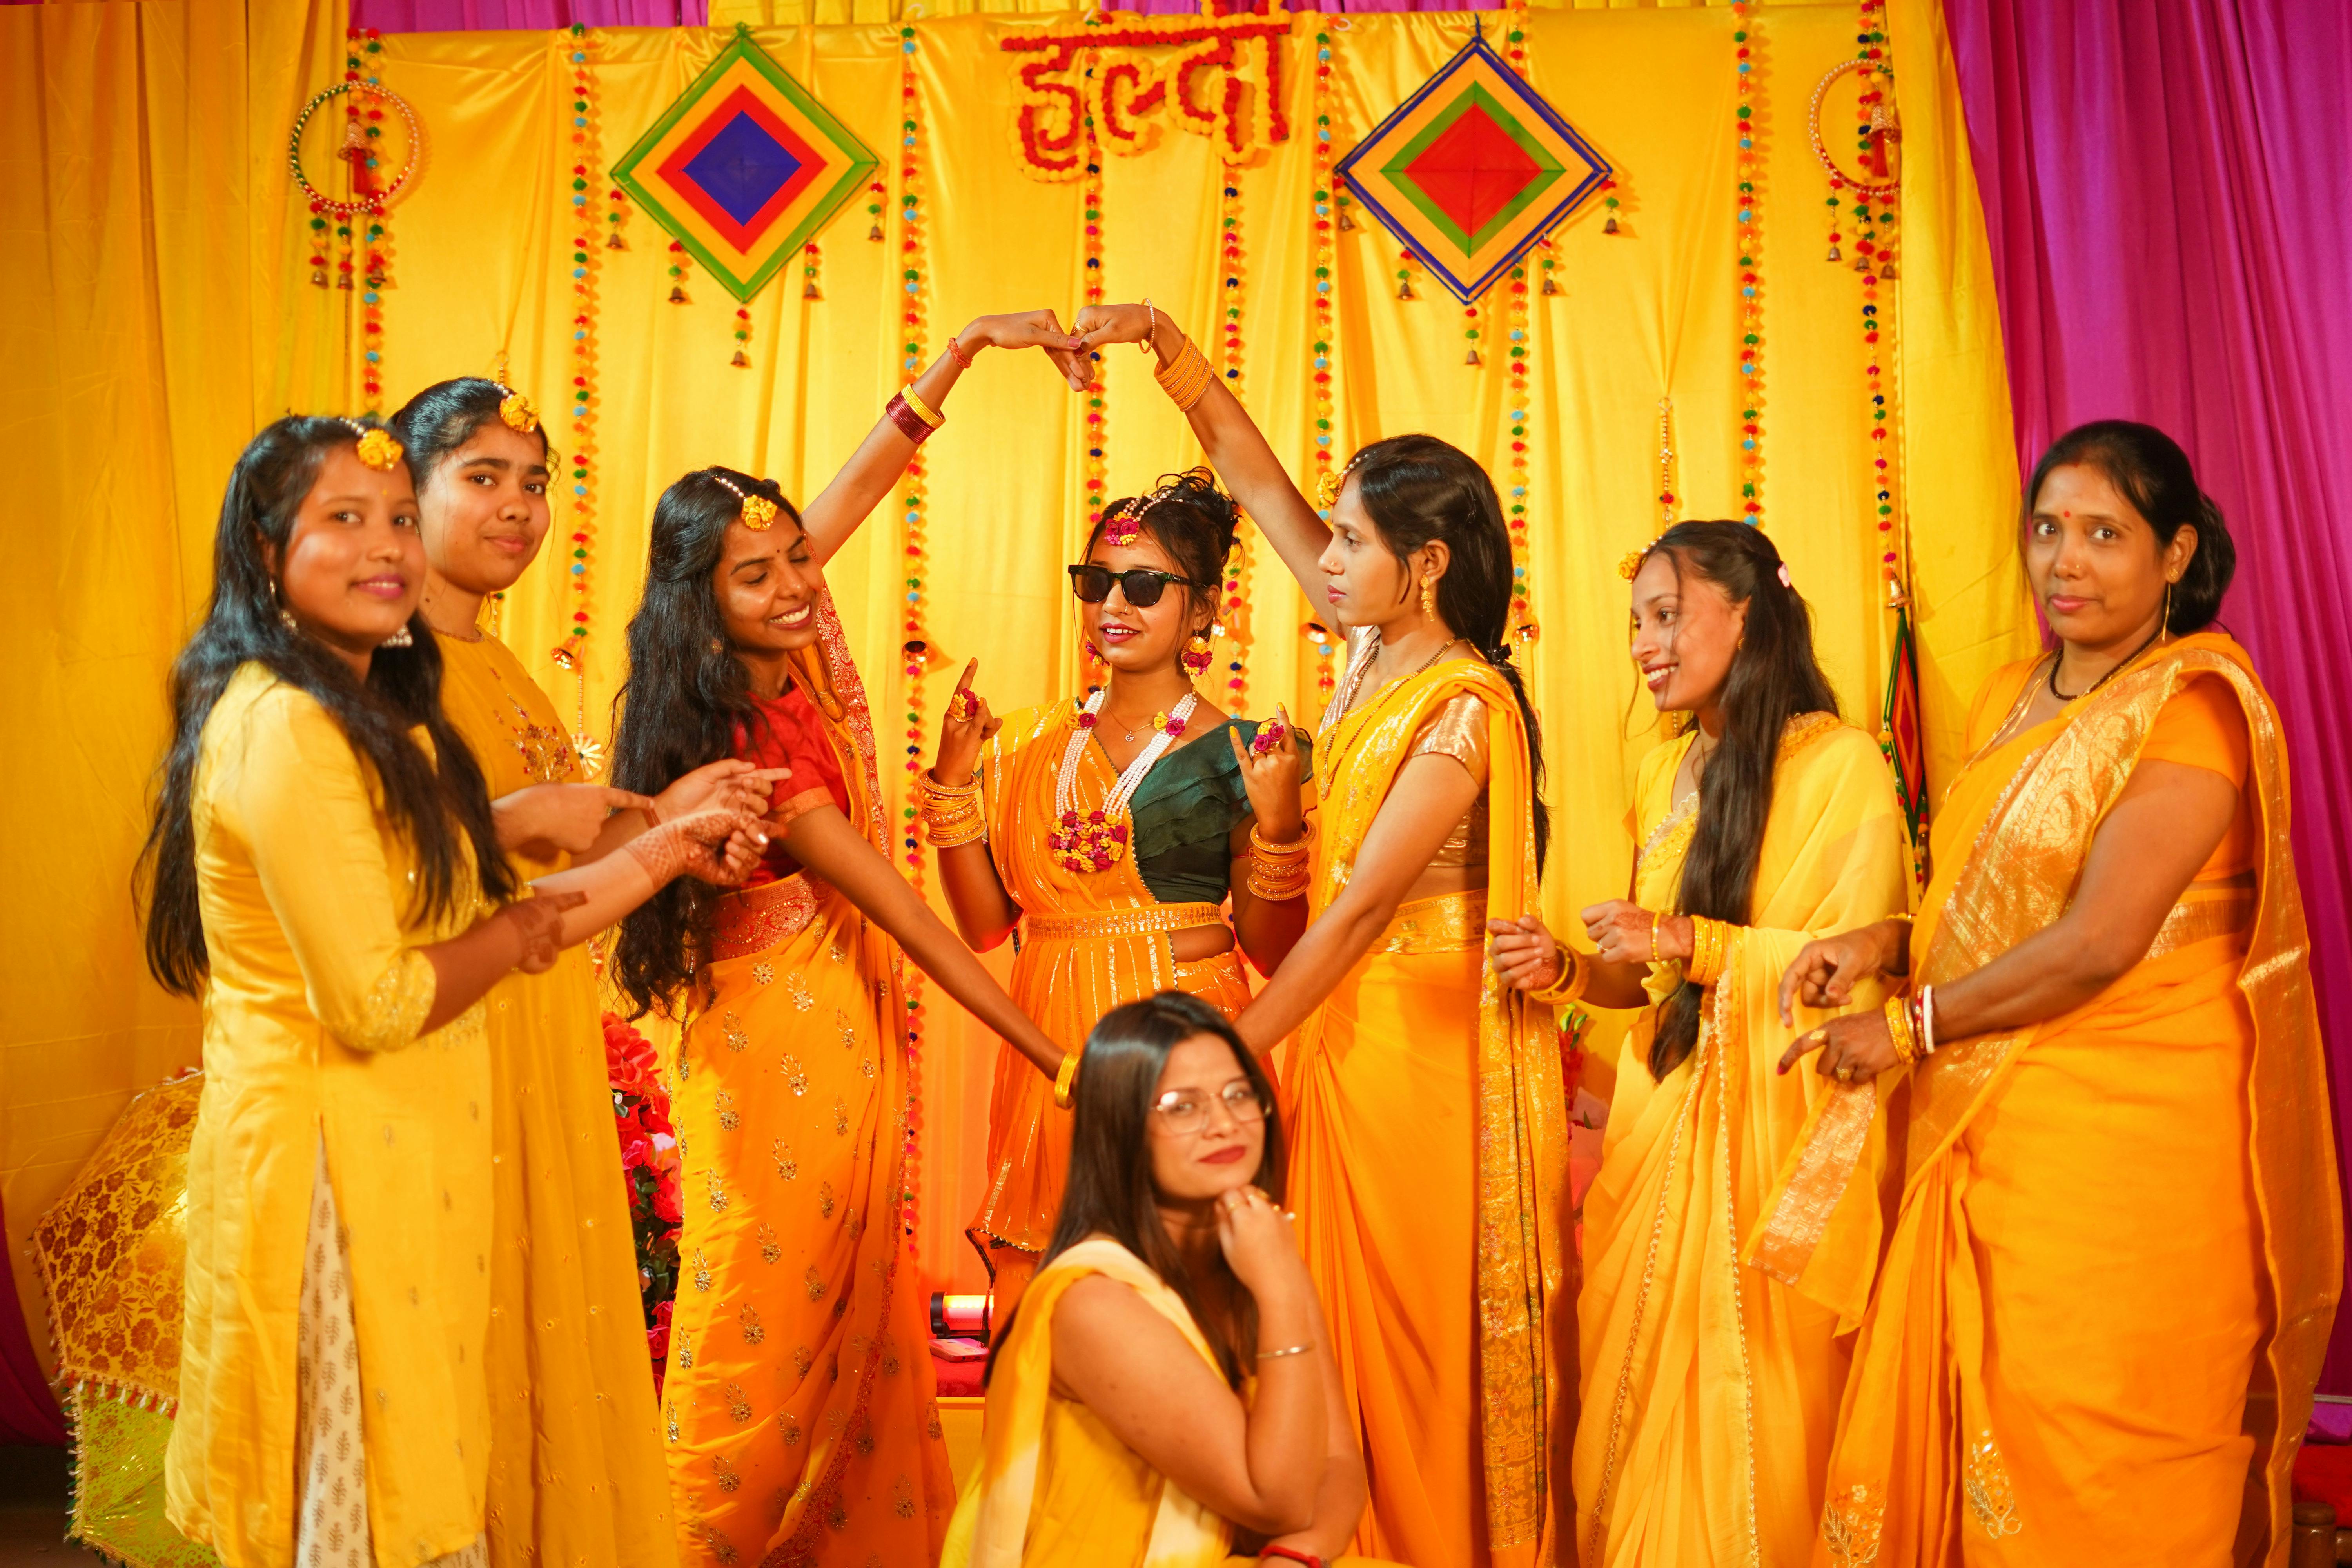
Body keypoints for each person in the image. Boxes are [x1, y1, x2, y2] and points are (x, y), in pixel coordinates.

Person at [140, 416, 759, 1568]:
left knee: (422, 1499)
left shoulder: (378, 724)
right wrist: (525, 915)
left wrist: (672, 845)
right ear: (266, 554)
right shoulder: (285, 728)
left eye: (392, 523)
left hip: (408, 1157)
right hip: (332, 1176)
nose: (387, 549)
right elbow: (385, 998)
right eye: (345, 520)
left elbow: (509, 913)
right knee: (364, 1519)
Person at [1767, 420, 2337, 1563]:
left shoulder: (2195, 705)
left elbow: (2098, 941)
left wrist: (1911, 1026)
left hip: (2128, 1167)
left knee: (2103, 1455)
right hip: (1997, 1124)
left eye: (2105, 535)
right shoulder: (2011, 695)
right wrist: (1886, 938)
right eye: (2048, 530)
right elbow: (1989, 894)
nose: (2066, 561)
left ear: (2176, 555)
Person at [1069, 303, 1571, 1568]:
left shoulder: (1461, 704)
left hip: (1415, 1047)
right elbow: (1259, 484)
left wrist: (1231, 1053)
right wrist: (1168, 349)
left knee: (1401, 1321)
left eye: (1352, 541)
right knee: (1326, 1313)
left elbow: (1354, 918)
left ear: (1430, 562)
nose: (1326, 558)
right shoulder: (1372, 653)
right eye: (1335, 537)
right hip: (1343, 1030)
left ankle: (1416, 1543)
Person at [608, 462, 1074, 1566]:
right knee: (761, 1324)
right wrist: (1058, 1059)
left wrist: (951, 365)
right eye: (754, 575)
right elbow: (908, 915)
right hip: (783, 1058)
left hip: (820, 1036)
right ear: (700, 596)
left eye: (800, 561)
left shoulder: (780, 676)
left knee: (832, 1327)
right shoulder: (756, 733)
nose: (795, 588)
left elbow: (834, 518)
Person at [389, 377, 781, 1568]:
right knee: (456, 1335)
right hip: (446, 1040)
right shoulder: (382, 665)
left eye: (535, 482)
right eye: (483, 478)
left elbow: (570, 843)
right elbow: (415, 860)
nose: (519, 508)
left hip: (535, 1029)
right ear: (404, 495)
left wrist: (675, 820)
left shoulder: (491, 664)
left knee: (536, 1318)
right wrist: (641, 834)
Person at [1484, 521, 1911, 1566]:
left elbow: (1852, 964)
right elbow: (1651, 977)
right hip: (1660, 1113)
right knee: (1636, 1398)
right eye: (1636, 624)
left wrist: (1690, 937)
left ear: (1748, 614)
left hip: (1768, 1133)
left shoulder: (1840, 763)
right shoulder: (1659, 768)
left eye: (1667, 614)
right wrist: (1572, 972)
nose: (1643, 645)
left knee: (1761, 1390)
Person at [920, 469, 1311, 1316]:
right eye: (1096, 581)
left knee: (1183, 1279)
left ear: (1202, 608)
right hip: (1049, 1041)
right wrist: (953, 785)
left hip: (1185, 1030)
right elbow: (988, 925)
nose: (1113, 604)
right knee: (1049, 1286)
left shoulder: (1249, 750)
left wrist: (1279, 827)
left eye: (1144, 585)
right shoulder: (1025, 741)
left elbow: (1276, 951)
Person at [943, 991, 1389, 1568]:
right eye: (1183, 1106)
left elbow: (1338, 1465)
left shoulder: (1254, 1252)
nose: (1224, 1124)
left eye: (1239, 1094)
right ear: (1122, 1129)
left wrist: (1295, 1556)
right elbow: (1276, 1497)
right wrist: (1283, 1289)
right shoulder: (1095, 1299)